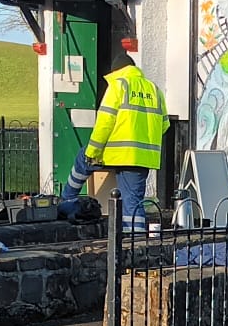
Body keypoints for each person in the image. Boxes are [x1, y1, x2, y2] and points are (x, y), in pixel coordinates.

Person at [61, 38, 166, 230]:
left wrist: (93, 151)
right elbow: (164, 125)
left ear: (116, 71)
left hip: (116, 153)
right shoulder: (154, 89)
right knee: (133, 202)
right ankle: (135, 243)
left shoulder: (118, 86)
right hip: (143, 157)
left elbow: (105, 122)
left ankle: (66, 200)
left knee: (81, 160)